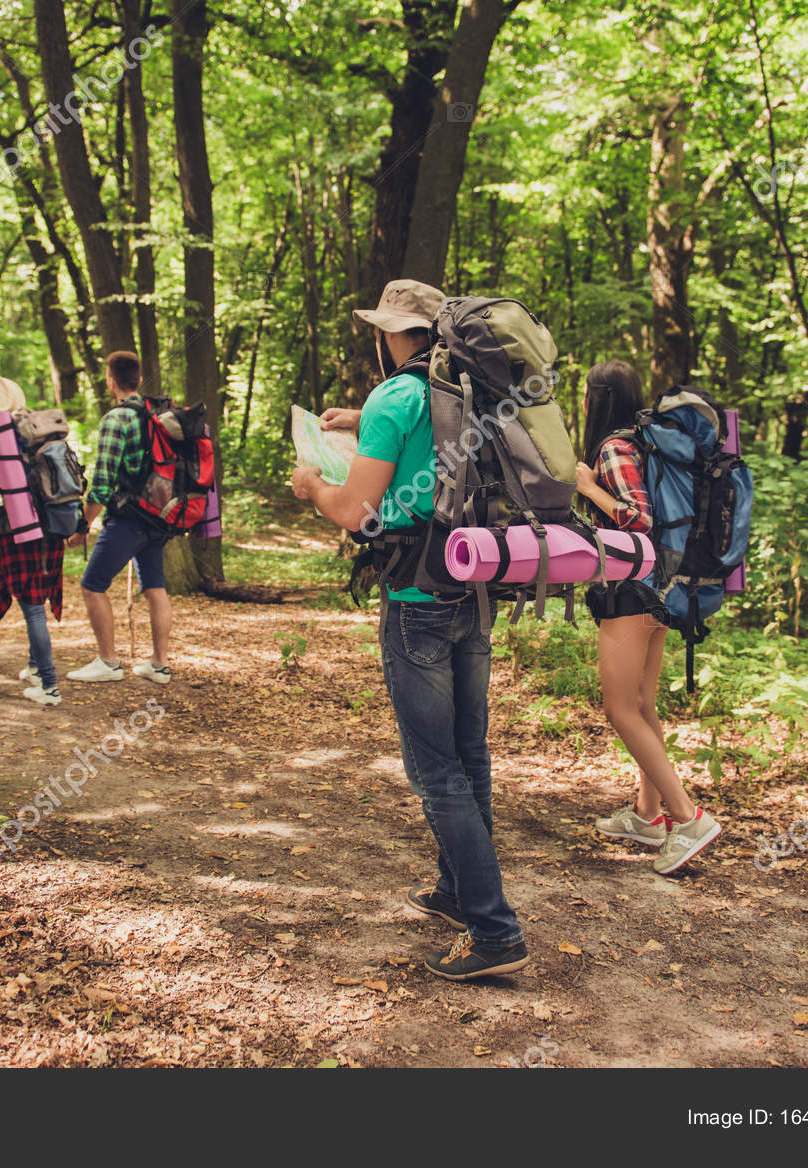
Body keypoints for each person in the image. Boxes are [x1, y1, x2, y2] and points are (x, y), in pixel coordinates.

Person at [291, 278, 529, 981]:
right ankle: (458, 892)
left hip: (415, 593)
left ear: (395, 333)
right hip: (476, 583)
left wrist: (312, 489)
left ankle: (495, 931)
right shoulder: (472, 389)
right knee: (468, 752)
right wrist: (358, 420)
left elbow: (357, 511)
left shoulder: (396, 396)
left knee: (436, 771)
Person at [575, 360, 721, 874]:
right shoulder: (644, 442)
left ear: (595, 399)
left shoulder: (614, 448)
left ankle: (688, 817)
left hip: (630, 593)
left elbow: (640, 520)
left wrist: (589, 488)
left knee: (619, 708)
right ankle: (647, 813)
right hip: (660, 591)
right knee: (641, 702)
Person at [68, 351, 174, 685]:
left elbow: (101, 485)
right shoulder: (159, 414)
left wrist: (82, 526)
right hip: (160, 516)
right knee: (155, 587)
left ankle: (109, 662)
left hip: (130, 519)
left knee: (92, 585)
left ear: (111, 382)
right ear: (139, 380)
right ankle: (159, 665)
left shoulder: (116, 420)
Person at [0, 376, 81, 707]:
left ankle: (49, 685)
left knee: (33, 608)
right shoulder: (42, 435)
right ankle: (36, 668)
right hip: (52, 528)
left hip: (17, 534)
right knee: (39, 598)